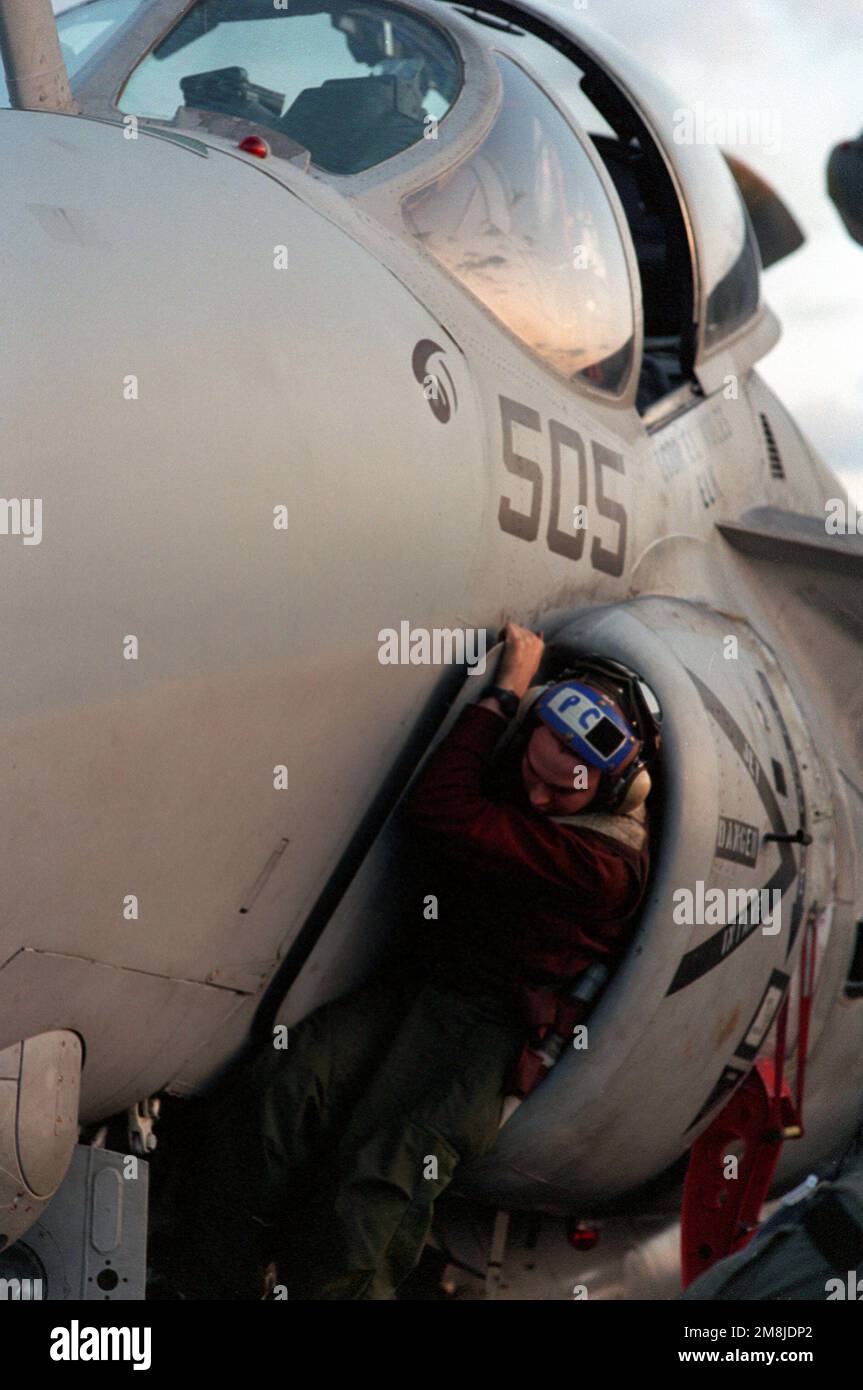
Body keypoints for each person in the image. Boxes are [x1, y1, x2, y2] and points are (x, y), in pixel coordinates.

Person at [173, 623, 659, 1300]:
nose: (537, 800)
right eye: (532, 775)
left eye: (562, 793)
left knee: (378, 1185)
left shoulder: (598, 866)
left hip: (486, 1027)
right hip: (420, 989)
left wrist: (502, 693)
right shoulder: (542, 792)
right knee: (281, 1092)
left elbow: (444, 809)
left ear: (615, 792)